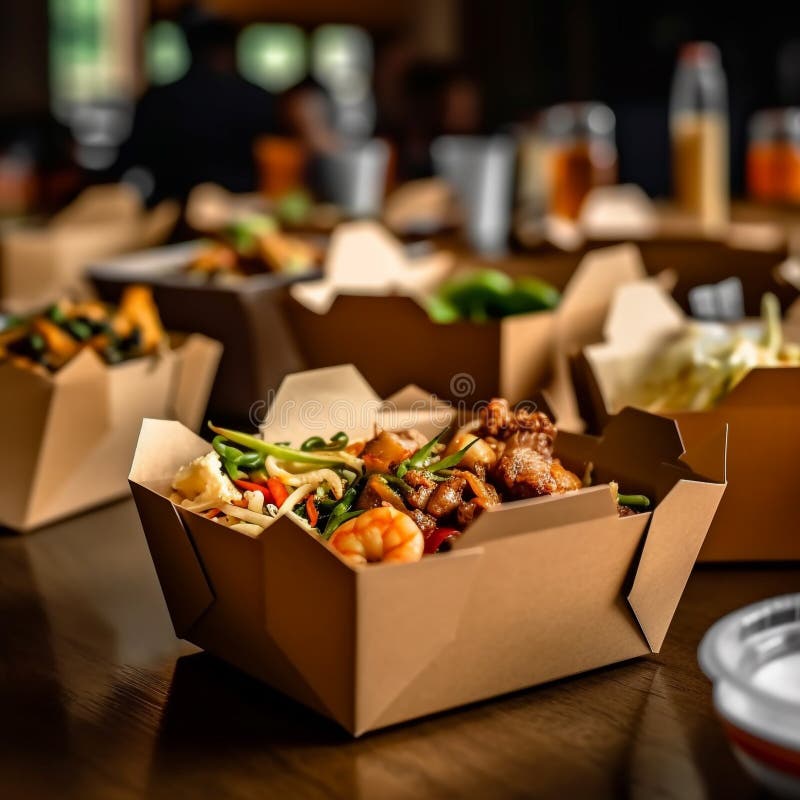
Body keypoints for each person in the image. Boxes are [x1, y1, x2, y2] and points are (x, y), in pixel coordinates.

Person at [121, 8, 277, 202]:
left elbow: (130, 159)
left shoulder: (162, 98)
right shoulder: (258, 98)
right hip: (240, 206)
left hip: (176, 207)